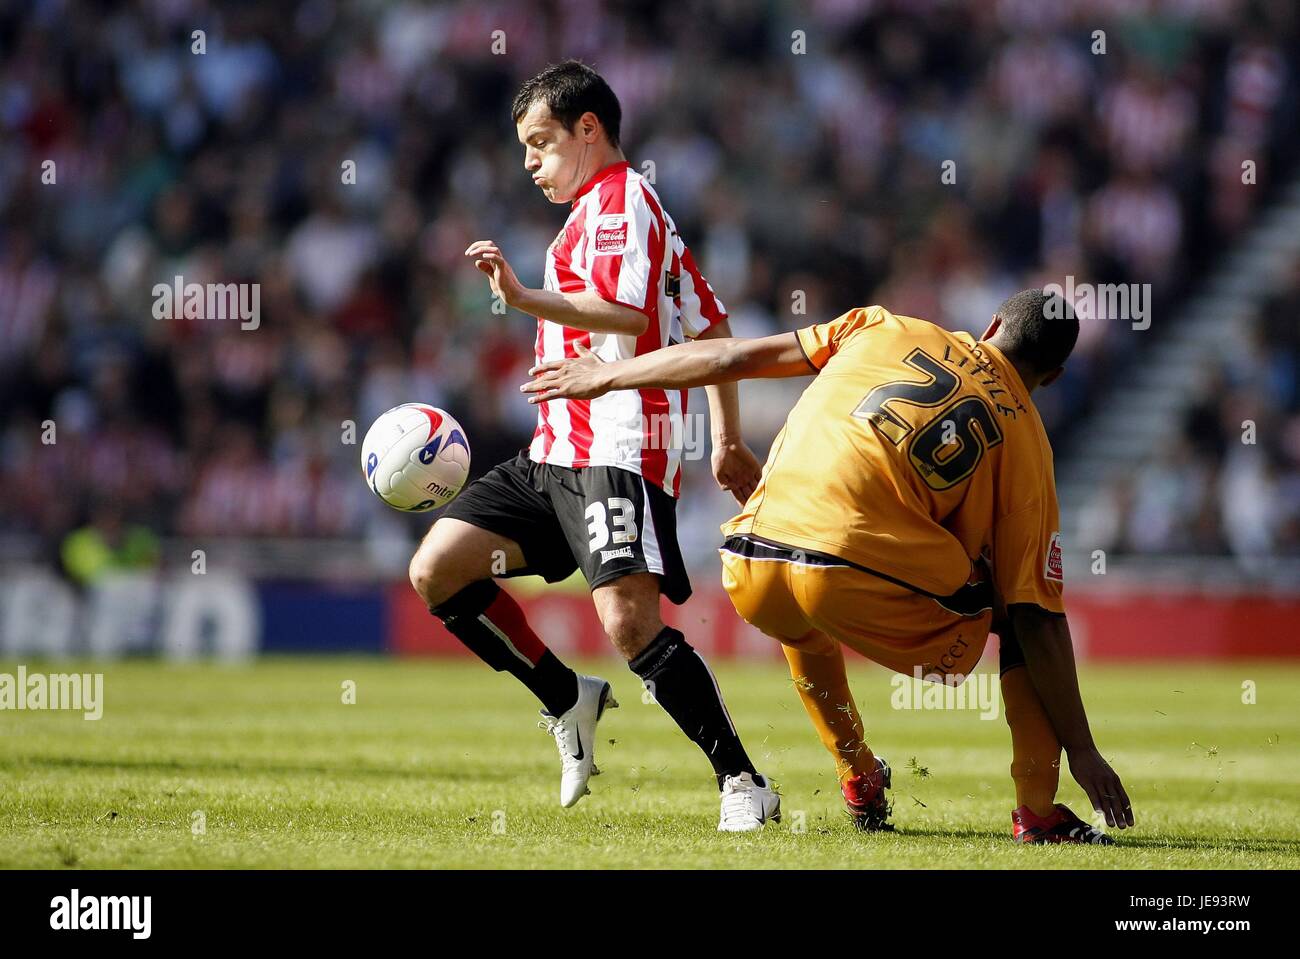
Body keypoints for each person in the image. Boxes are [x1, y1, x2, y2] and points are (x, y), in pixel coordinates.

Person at [523, 289, 1135, 843]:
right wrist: (1081, 748)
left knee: (804, 605)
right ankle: (1038, 811)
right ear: (1051, 377)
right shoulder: (1028, 442)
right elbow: (1040, 616)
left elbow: (730, 357)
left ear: (994, 321)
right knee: (1014, 608)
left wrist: (609, 375)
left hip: (750, 558)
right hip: (848, 576)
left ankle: (858, 773)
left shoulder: (884, 326)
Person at [408, 60, 780, 831]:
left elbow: (623, 307)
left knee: (628, 623)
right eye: (523, 150)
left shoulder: (623, 198)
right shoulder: (602, 216)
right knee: (437, 569)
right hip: (554, 449)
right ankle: (566, 697)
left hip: (619, 441)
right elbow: (711, 327)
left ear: (589, 129)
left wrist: (521, 298)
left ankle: (743, 780)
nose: (530, 164)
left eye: (540, 143)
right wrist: (728, 436)